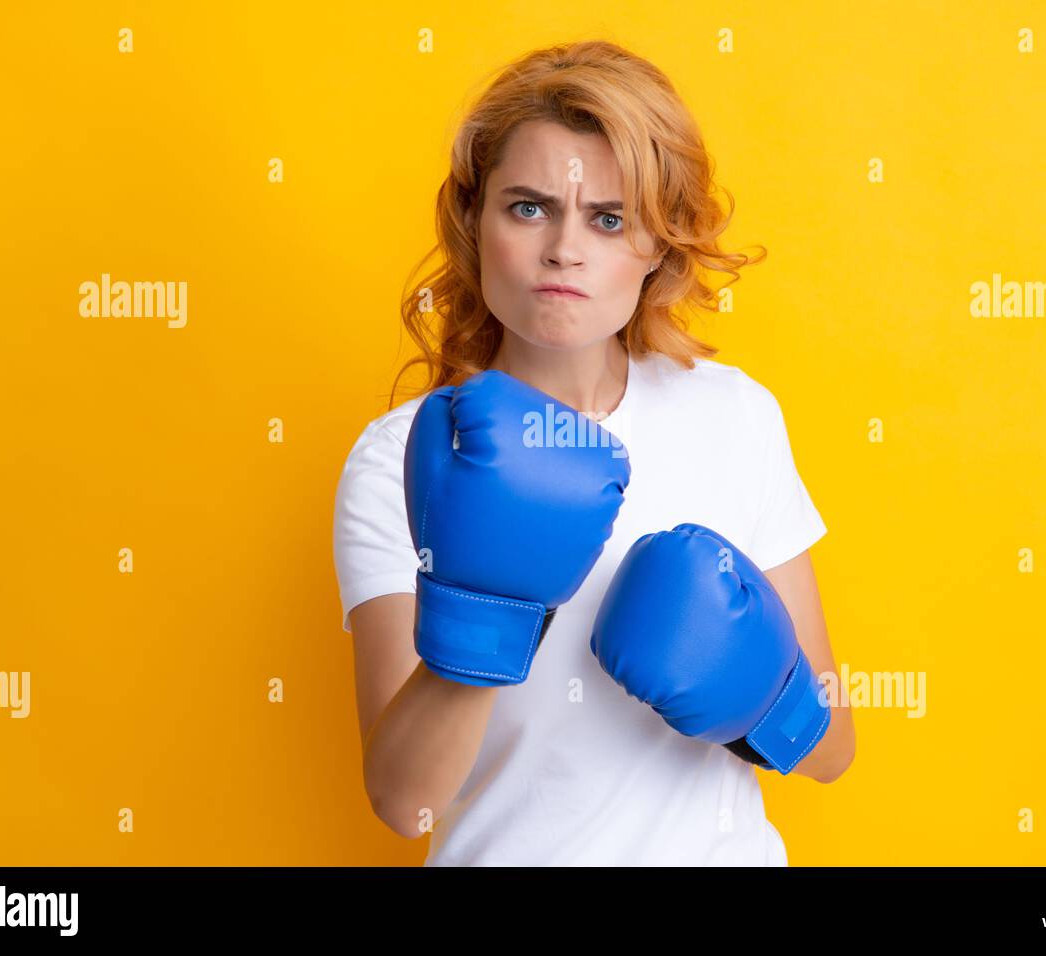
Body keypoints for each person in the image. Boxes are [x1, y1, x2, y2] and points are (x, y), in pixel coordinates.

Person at [333, 39, 855, 866]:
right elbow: (404, 803)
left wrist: (761, 694)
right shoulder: (399, 457)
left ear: (657, 248)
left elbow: (831, 750)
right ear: (475, 223)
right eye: (529, 207)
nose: (564, 250)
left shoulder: (734, 416)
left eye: (608, 219)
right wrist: (483, 613)